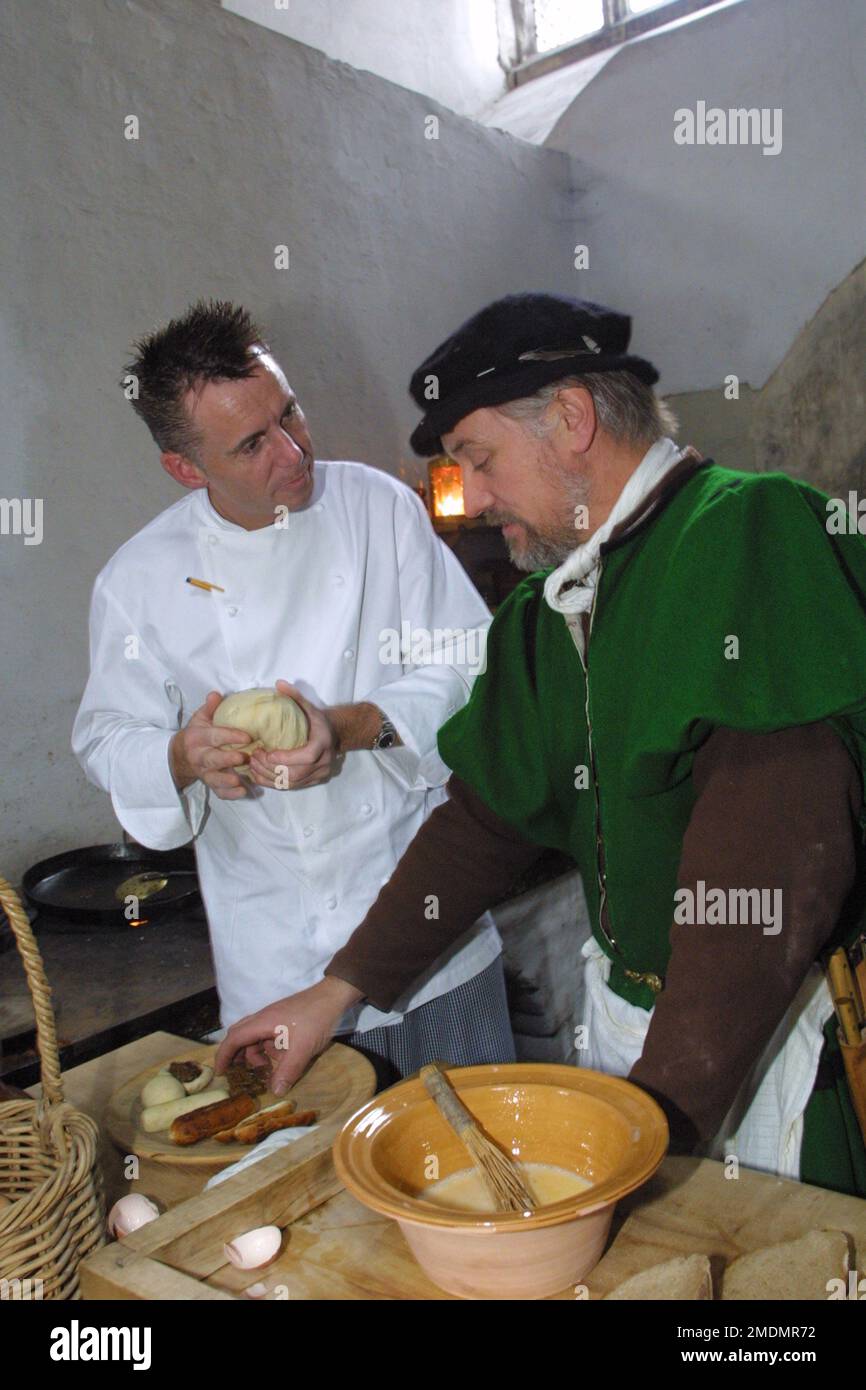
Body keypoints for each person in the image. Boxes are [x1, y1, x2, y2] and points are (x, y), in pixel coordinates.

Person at [217, 292, 866, 1198]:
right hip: (637, 1041)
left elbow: (770, 866)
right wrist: (336, 994)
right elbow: (485, 824)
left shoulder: (746, 535)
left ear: (570, 419)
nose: (471, 498)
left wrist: (655, 1133)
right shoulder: (546, 612)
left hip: (762, 1051)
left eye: (477, 460)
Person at [72, 299, 514, 1084]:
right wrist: (182, 754)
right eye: (251, 443)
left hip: (430, 940)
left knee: (483, 1184)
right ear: (186, 468)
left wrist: (348, 729)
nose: (293, 449)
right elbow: (107, 736)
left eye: (291, 412)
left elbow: (478, 668)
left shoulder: (377, 508)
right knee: (315, 1194)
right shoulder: (139, 580)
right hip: (277, 966)